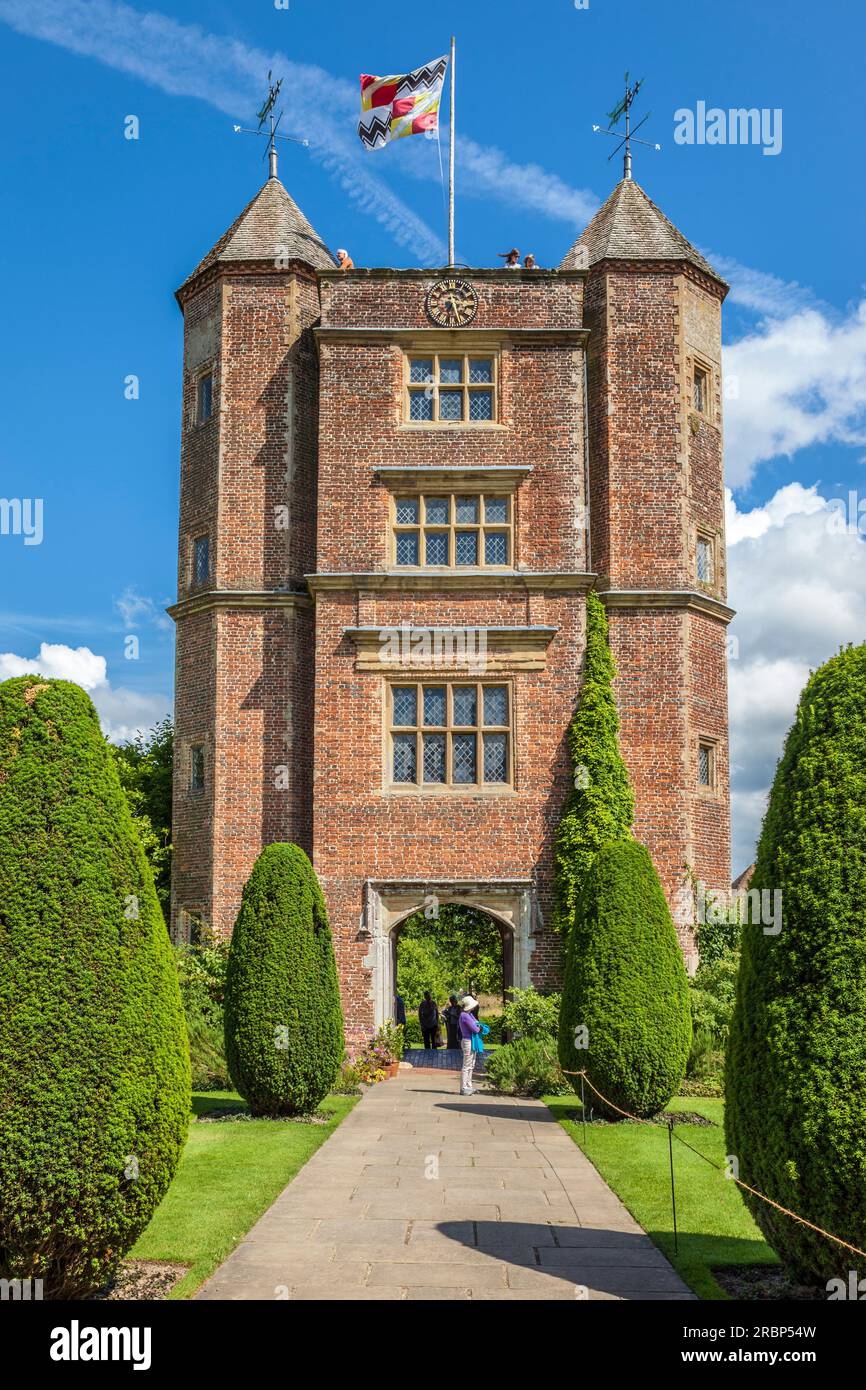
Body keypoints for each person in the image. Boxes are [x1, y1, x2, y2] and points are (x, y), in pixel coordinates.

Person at [458, 994, 482, 1095]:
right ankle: (463, 1087)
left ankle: (469, 1085)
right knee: (467, 1065)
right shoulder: (465, 1016)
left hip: (472, 1041)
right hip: (468, 1041)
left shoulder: (469, 1014)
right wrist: (479, 1027)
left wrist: (478, 1025)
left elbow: (477, 1023)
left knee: (471, 1064)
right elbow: (475, 1028)